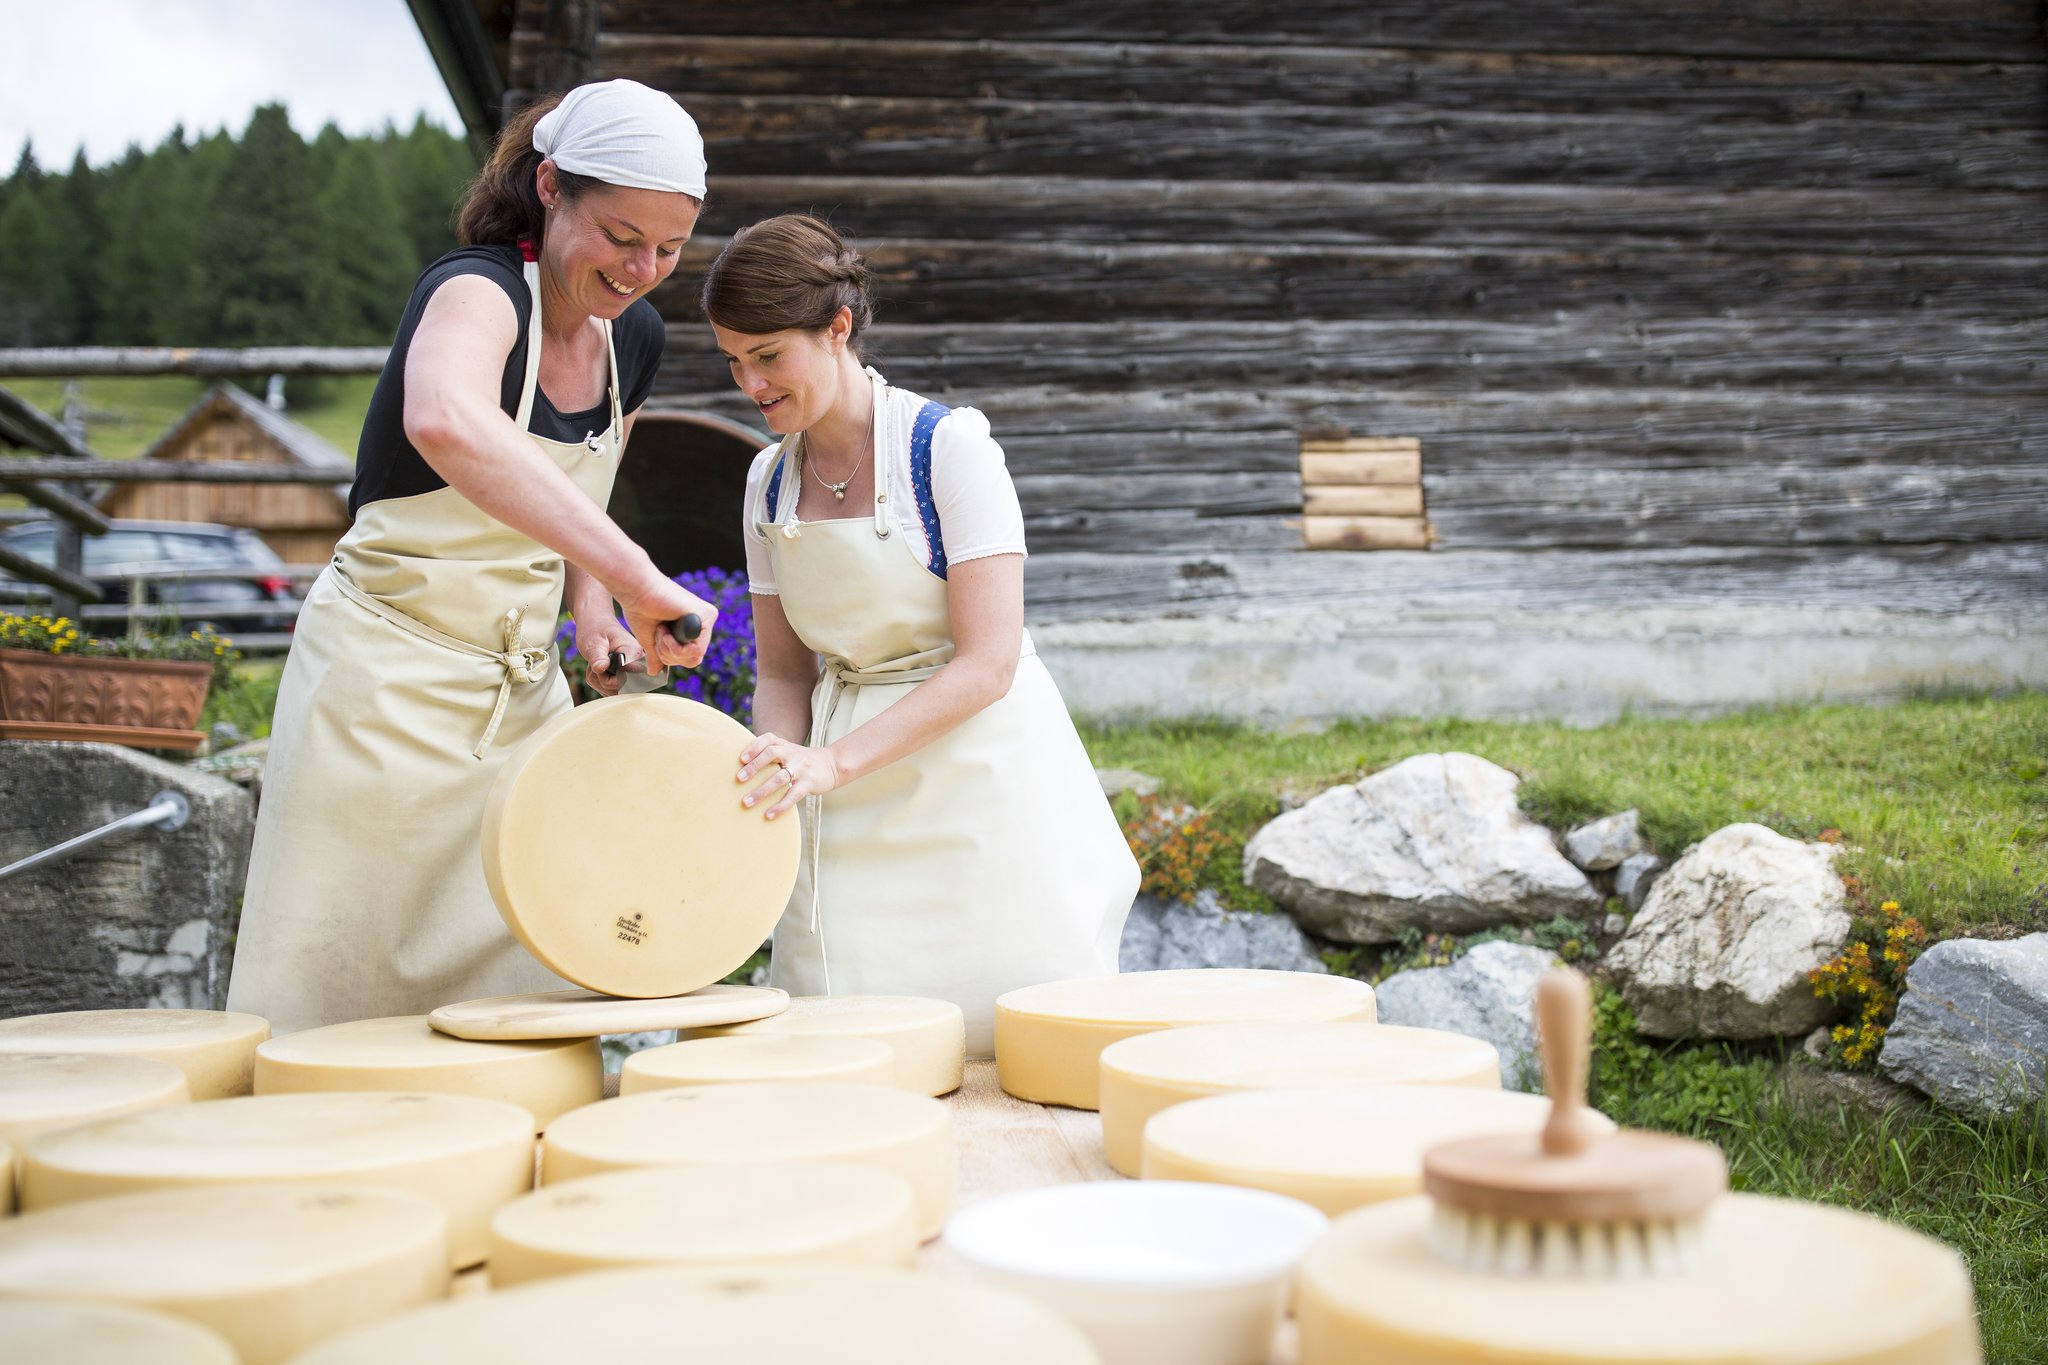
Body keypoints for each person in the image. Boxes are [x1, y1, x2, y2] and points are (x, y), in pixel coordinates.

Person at [228, 81, 715, 1034]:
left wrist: (594, 610)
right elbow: (446, 420)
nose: (642, 268)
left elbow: (582, 490)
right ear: (549, 186)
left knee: (512, 991)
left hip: (517, 697)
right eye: (621, 236)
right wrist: (637, 575)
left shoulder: (638, 341)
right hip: (380, 691)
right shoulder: (476, 288)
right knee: (336, 972)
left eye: (669, 247)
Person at [706, 215, 1139, 1057]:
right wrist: (774, 776)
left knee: (1026, 1042)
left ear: (837, 330)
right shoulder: (767, 483)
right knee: (847, 1046)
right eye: (732, 358)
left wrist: (834, 761)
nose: (748, 382)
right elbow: (786, 676)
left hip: (988, 787)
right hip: (846, 810)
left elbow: (989, 662)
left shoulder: (948, 451)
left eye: (767, 356)